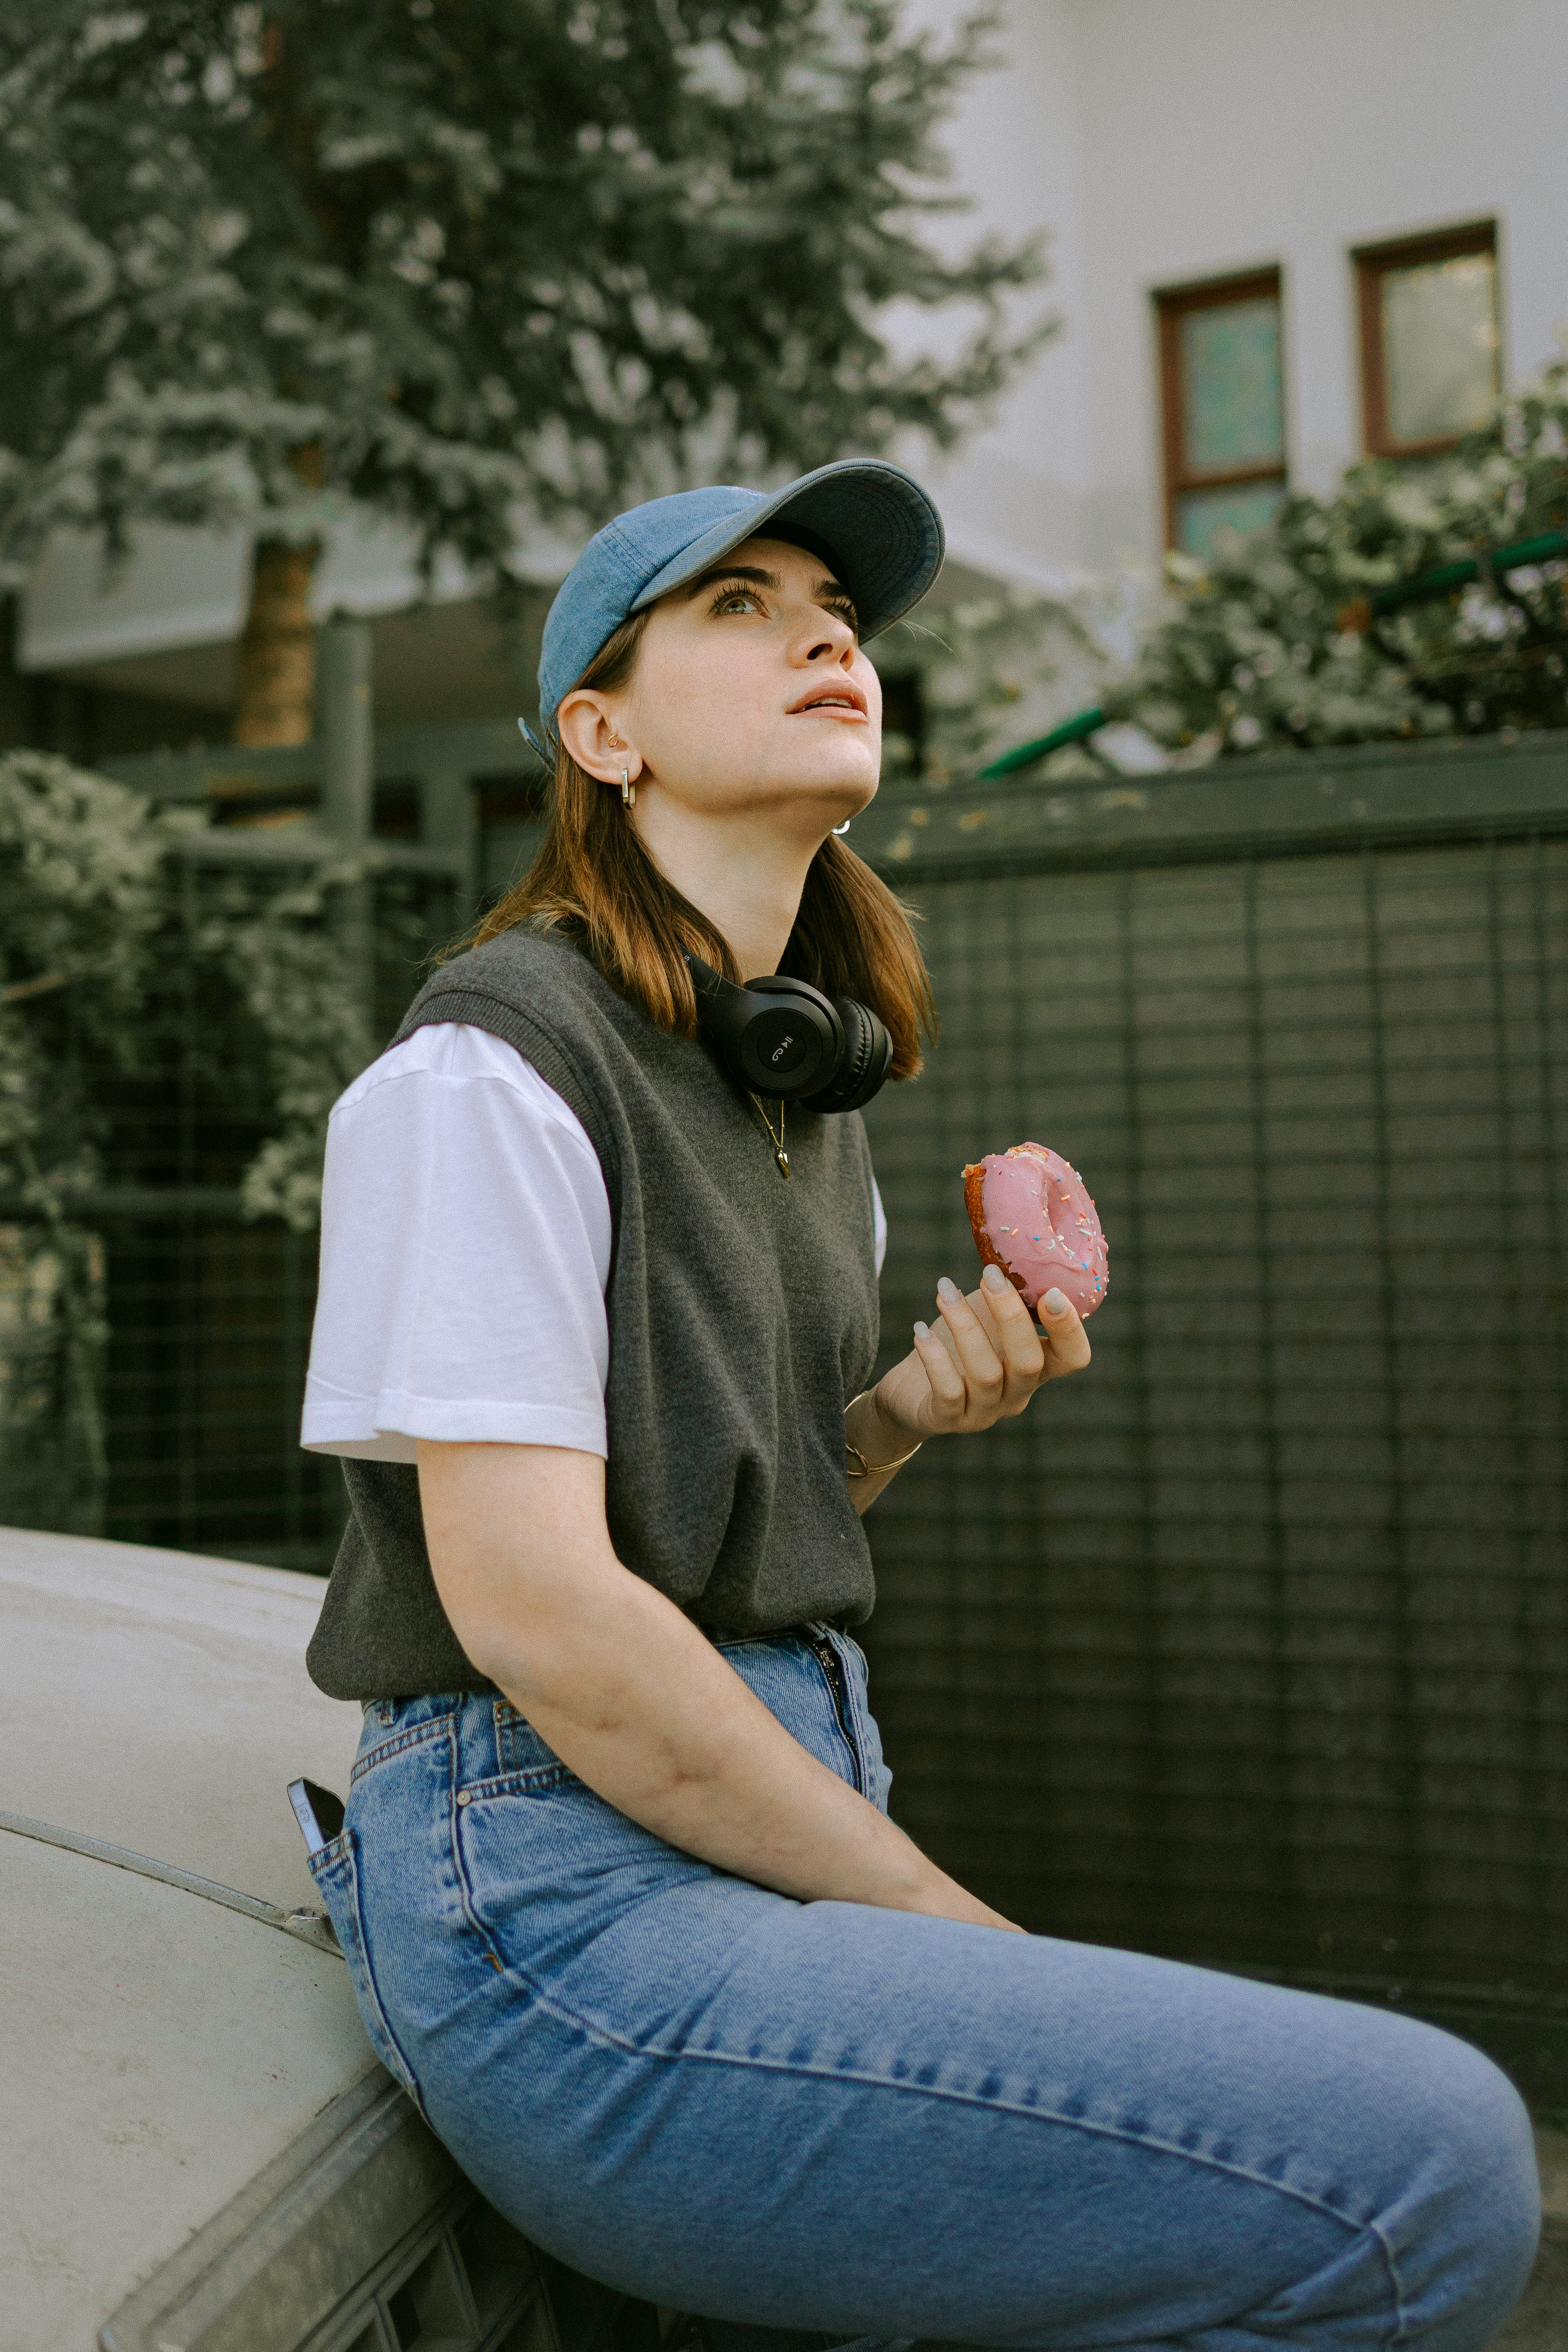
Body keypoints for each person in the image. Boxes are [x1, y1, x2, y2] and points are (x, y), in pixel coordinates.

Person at [299, 459, 1539, 2352]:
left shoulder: (803, 1104)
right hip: (555, 1899)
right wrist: (930, 1914)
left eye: (839, 613)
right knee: (1425, 2171)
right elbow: (539, 1607)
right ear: (602, 734)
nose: (824, 637)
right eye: (740, 605)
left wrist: (889, 1423)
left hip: (745, 1832)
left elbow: (710, 1533)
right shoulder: (484, 1072)